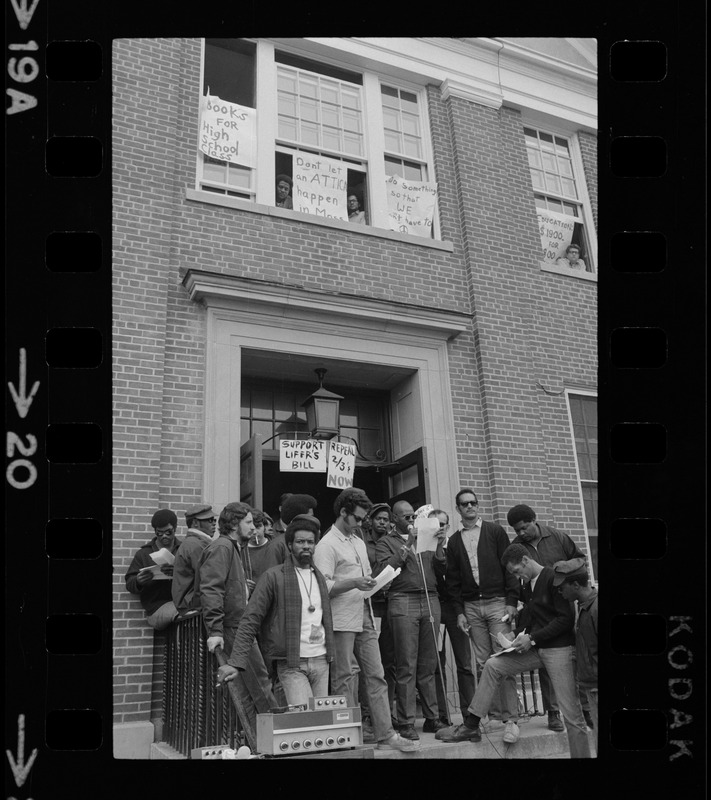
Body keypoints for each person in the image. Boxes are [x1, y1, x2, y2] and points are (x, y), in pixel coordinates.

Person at [437, 544, 592, 759]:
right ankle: (471, 724)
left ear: (526, 561)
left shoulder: (552, 578)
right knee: (493, 664)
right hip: (537, 648)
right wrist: (515, 634)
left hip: (559, 650)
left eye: (517, 571)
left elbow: (565, 620)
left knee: (572, 715)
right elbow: (532, 616)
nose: (517, 576)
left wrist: (532, 638)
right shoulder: (528, 584)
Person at [313, 488, 419, 752]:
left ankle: (386, 735)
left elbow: (365, 578)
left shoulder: (358, 540)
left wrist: (373, 582)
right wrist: (354, 582)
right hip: (340, 618)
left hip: (365, 612)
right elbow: (322, 586)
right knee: (344, 678)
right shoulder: (326, 544)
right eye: (357, 518)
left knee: (376, 674)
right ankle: (347, 738)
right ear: (343, 513)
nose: (361, 524)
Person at [217, 515, 334, 706]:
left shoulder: (320, 576)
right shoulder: (272, 576)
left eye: (310, 542)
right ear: (289, 545)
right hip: (291, 663)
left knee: (319, 723)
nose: (306, 546)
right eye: (300, 542)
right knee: (303, 719)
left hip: (321, 659)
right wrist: (236, 662)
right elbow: (250, 619)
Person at [441, 489, 521, 743]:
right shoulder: (453, 541)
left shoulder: (494, 531)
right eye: (465, 504)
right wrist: (459, 613)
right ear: (458, 509)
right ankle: (495, 717)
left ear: (478, 505)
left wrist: (511, 601)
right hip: (471, 607)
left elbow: (511, 566)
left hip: (498, 602)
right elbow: (452, 581)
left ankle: (511, 719)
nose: (470, 507)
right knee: (484, 663)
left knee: (505, 658)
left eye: (474, 503)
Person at [507, 503, 588, 731]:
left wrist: (560, 567)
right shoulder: (516, 547)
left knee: (569, 654)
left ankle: (578, 707)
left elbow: (580, 560)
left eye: (524, 528)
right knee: (544, 650)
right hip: (538, 606)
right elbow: (513, 579)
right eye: (516, 530)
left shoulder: (557, 536)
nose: (521, 533)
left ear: (535, 520)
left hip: (563, 601)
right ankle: (553, 712)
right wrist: (513, 603)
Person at [197, 502, 276, 734]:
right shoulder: (223, 547)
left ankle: (257, 737)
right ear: (234, 524)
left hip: (235, 626)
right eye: (249, 523)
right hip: (233, 628)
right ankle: (273, 735)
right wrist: (215, 630)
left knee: (247, 688)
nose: (254, 528)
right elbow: (211, 589)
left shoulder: (230, 547)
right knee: (260, 684)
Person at [375, 499, 447, 739]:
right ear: (394, 519)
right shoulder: (385, 541)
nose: (410, 520)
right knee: (406, 663)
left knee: (429, 662)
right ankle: (406, 722)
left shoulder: (427, 536)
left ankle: (432, 718)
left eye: (412, 516)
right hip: (402, 598)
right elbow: (385, 572)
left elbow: (441, 568)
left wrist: (439, 545)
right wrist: (408, 544)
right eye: (405, 517)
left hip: (430, 598)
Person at [430, 508, 475, 729]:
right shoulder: (423, 548)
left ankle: (470, 714)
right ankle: (442, 715)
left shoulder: (457, 545)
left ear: (448, 526)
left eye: (443, 524)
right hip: (435, 607)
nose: (439, 528)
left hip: (457, 607)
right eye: (435, 524)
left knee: (464, 662)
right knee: (437, 662)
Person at [554, 557, 598, 747]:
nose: (559, 591)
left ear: (575, 585)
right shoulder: (583, 607)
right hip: (591, 686)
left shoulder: (596, 608)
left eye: (562, 587)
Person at [125, 509, 180, 630]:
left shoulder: (183, 550)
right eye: (159, 533)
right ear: (155, 531)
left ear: (175, 528)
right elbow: (129, 583)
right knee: (186, 612)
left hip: (180, 601)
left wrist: (178, 572)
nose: (164, 536)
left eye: (168, 532)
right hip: (156, 607)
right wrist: (138, 581)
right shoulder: (143, 553)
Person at [171, 503, 216, 613]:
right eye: (209, 520)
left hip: (191, 607)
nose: (214, 523)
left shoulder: (195, 543)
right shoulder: (195, 545)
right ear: (195, 523)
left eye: (214, 519)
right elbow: (208, 579)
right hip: (193, 610)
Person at [263, 494, 317, 570]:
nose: (312, 520)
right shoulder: (277, 546)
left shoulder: (310, 543)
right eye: (309, 517)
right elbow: (271, 579)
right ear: (297, 518)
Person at [247, 509, 272, 583]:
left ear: (264, 527)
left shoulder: (274, 546)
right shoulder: (241, 549)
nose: (255, 532)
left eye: (258, 527)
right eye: (252, 528)